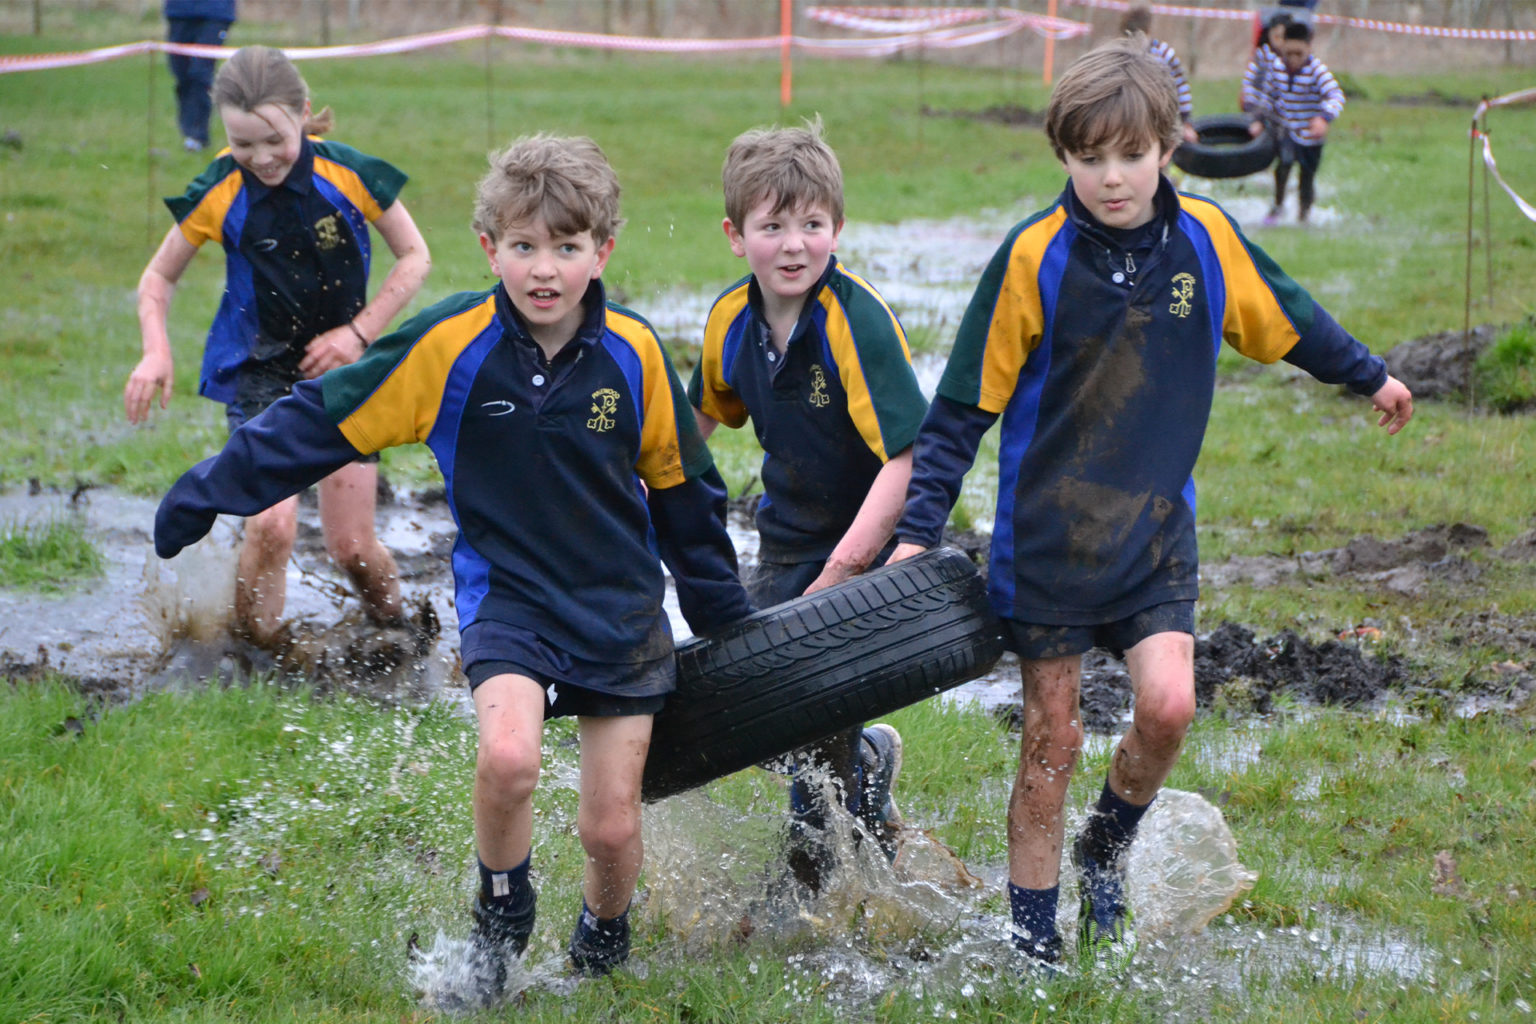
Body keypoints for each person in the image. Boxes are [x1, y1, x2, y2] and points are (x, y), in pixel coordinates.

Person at [152, 133, 754, 992]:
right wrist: (214, 488)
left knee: (611, 831)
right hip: (509, 596)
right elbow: (325, 420)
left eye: (567, 248)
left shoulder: (638, 353)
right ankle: (499, 920)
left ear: (602, 251)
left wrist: (725, 617)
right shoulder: (451, 346)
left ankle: (601, 947)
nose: (544, 269)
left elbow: (687, 499)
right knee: (509, 758)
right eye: (523, 247)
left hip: (618, 608)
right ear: (489, 248)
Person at [886, 37, 1412, 972]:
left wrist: (1370, 377)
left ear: (1170, 146)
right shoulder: (1032, 257)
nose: (1112, 177)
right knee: (1051, 742)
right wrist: (917, 529)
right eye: (1089, 159)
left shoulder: (1205, 239)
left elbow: (1290, 319)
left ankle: (1106, 847)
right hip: (1047, 544)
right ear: (1063, 156)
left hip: (1156, 532)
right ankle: (1032, 943)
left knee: (1168, 708)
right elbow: (962, 407)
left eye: (1131, 155)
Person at [688, 118, 928, 890]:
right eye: (773, 226)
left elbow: (906, 458)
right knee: (749, 703)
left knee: (807, 708)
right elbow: (692, 432)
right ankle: (867, 768)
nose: (794, 245)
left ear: (838, 229)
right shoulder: (729, 319)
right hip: (784, 544)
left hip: (870, 552)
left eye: (812, 225)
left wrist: (847, 568)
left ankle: (810, 885)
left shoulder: (854, 320)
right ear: (736, 234)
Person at [125, 45, 430, 645]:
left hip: (345, 372)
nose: (261, 158)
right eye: (243, 144)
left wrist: (358, 334)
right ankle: (258, 658)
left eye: (275, 140)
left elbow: (415, 257)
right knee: (270, 524)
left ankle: (402, 633)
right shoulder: (219, 189)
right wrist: (155, 349)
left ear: (303, 113)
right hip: (259, 370)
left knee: (351, 547)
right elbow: (158, 278)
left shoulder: (350, 174)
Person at [1262, 20, 1345, 225]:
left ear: (1309, 49)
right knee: (1284, 165)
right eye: (1288, 53)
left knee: (1306, 176)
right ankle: (1278, 206)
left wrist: (1324, 118)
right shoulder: (1277, 67)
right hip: (1288, 129)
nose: (1293, 59)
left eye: (1299, 54)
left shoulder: (1318, 71)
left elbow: (1336, 96)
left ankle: (1304, 214)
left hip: (1311, 135)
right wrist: (1260, 119)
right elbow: (1269, 97)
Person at [1118, 5, 1198, 145]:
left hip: (1162, 120)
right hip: (1130, 121)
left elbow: (1180, 85)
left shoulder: (1163, 53)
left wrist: (1185, 121)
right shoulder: (1119, 56)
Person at [163, 1, 236, 152]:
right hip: (179, 12)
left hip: (215, 12)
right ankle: (188, 132)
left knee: (200, 71)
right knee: (182, 74)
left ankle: (197, 136)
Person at [1240, 9, 1292, 121]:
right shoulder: (1261, 56)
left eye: (1284, 37)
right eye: (1276, 36)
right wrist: (1250, 107)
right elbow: (1250, 83)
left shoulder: (1294, 59)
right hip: (1259, 110)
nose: (1280, 41)